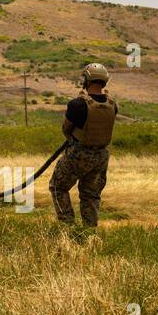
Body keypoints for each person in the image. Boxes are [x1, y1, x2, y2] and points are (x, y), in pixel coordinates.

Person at [49, 63, 117, 228]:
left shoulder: (77, 104)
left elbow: (66, 129)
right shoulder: (112, 104)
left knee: (57, 187)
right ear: (104, 82)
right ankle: (89, 232)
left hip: (79, 153)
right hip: (101, 156)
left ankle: (68, 227)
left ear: (86, 79)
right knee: (91, 195)